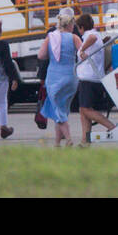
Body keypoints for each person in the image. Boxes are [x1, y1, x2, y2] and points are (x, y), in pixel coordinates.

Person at [37, 12, 81, 147]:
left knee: (57, 109)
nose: (74, 27)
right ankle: (57, 143)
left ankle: (68, 139)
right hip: (71, 76)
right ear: (69, 25)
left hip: (54, 76)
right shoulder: (74, 38)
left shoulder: (51, 38)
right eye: (73, 24)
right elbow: (83, 53)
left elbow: (41, 55)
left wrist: (53, 55)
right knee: (62, 108)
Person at [75, 14, 115, 145]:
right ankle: (85, 140)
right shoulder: (96, 35)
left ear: (81, 27)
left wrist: (82, 49)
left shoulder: (90, 35)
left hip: (89, 78)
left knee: (86, 110)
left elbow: (90, 38)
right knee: (83, 110)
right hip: (92, 77)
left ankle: (111, 127)